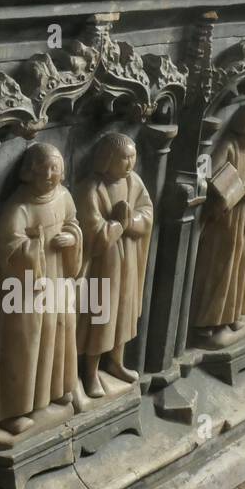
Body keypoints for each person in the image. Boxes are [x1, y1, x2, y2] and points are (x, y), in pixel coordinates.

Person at [0, 142, 82, 437]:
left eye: (56, 168)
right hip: (25, 291)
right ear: (30, 171)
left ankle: (55, 389)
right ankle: (12, 411)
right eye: (44, 168)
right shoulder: (19, 207)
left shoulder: (64, 197)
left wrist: (71, 239)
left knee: (58, 332)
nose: (50, 174)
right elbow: (6, 249)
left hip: (58, 281)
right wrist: (33, 248)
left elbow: (74, 224)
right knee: (25, 345)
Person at [76, 133, 153, 398]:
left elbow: (147, 212)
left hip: (128, 261)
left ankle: (116, 362)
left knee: (123, 312)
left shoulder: (134, 183)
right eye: (123, 158)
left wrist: (131, 222)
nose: (130, 163)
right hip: (102, 266)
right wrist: (118, 224)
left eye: (133, 157)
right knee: (100, 317)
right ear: (107, 159)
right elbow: (92, 230)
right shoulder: (91, 189)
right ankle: (90, 372)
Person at [191, 103, 245, 342]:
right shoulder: (229, 146)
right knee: (219, 268)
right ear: (244, 124)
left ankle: (235, 313)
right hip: (224, 220)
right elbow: (210, 175)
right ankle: (206, 321)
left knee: (241, 266)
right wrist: (230, 191)